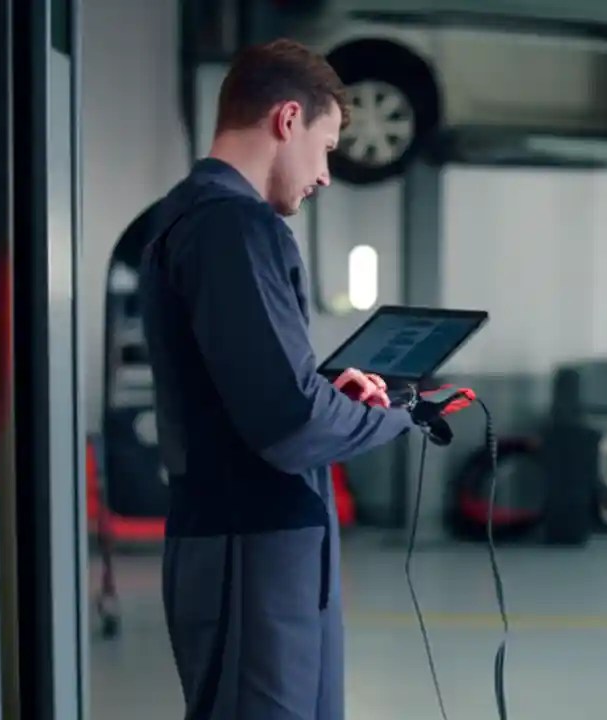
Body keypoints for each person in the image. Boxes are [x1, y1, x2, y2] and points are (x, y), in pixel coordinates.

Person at [137, 39, 469, 720]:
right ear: (287, 120)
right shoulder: (233, 224)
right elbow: (290, 422)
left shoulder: (191, 215)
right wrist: (404, 412)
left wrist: (331, 389)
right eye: (325, 147)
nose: (325, 175)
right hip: (249, 549)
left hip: (254, 544)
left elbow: (258, 385)